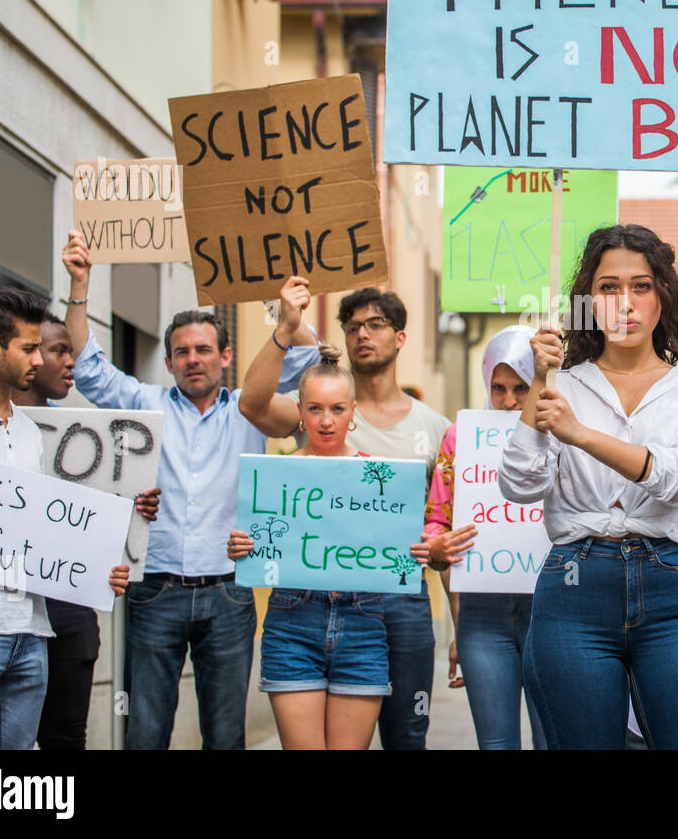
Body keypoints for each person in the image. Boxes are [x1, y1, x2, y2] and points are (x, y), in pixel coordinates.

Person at [60, 230, 317, 749]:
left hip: (230, 592)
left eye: (203, 350)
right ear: (170, 361)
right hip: (155, 590)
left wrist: (287, 315)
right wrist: (80, 284)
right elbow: (86, 367)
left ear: (225, 356)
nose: (192, 359)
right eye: (182, 353)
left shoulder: (252, 408)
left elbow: (308, 361)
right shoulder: (142, 403)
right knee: (147, 731)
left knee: (224, 735)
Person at [499, 224, 678, 750]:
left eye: (641, 285)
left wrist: (578, 432)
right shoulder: (563, 384)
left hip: (670, 585)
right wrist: (540, 382)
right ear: (588, 302)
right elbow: (519, 484)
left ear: (663, 296)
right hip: (575, 588)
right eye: (608, 287)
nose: (625, 302)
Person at [0, 286, 126, 749]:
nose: (39, 360)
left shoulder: (31, 433)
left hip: (32, 632)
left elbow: (41, 532)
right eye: (29, 348)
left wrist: (96, 572)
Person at [230, 277, 392, 749]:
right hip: (290, 621)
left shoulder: (379, 479)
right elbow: (257, 542)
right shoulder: (273, 478)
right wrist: (241, 545)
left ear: (353, 413)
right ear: (299, 412)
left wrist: (414, 548)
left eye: (337, 409)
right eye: (315, 409)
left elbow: (396, 547)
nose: (326, 420)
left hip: (363, 622)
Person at [288, 285, 451, 749]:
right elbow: (255, 408)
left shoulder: (436, 428)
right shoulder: (320, 412)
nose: (363, 334)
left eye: (376, 324)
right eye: (353, 326)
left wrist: (462, 629)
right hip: (322, 595)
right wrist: (285, 326)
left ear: (400, 338)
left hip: (403, 599)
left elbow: (443, 530)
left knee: (406, 735)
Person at [10, 311, 160, 750]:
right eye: (59, 350)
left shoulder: (86, 435)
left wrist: (135, 509)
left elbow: (101, 525)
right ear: (31, 356)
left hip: (69, 611)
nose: (70, 362)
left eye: (72, 351)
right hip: (5, 608)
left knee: (66, 736)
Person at [418, 325, 546, 749]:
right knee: (495, 745)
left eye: (521, 388)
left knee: (555, 741)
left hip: (551, 614)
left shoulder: (564, 433)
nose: (509, 401)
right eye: (498, 388)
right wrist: (436, 545)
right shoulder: (461, 437)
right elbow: (437, 518)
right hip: (482, 619)